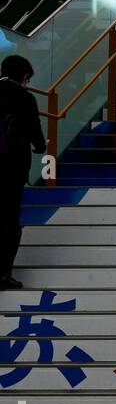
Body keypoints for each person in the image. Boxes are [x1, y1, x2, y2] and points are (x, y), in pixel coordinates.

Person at [0, 55, 45, 290]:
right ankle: (3, 273)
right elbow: (34, 132)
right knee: (8, 220)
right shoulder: (24, 98)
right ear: (24, 76)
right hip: (10, 168)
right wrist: (41, 146)